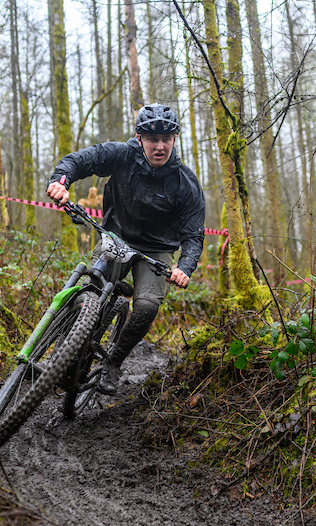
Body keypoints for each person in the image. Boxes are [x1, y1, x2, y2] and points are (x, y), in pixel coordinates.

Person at [46, 103, 205, 395]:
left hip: (156, 252)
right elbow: (81, 161)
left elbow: (194, 234)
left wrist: (184, 267)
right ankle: (60, 353)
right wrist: (61, 180)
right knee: (91, 286)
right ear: (139, 137)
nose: (159, 146)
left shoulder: (185, 182)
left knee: (146, 306)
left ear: (174, 139)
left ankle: (114, 363)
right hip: (117, 235)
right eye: (152, 139)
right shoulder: (122, 154)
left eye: (166, 139)